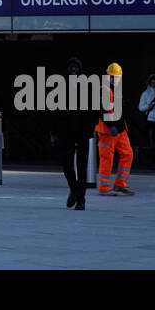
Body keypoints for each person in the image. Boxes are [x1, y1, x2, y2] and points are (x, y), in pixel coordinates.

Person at [54, 56, 101, 211]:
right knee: (66, 165)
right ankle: (74, 190)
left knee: (82, 167)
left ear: (80, 70)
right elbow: (51, 110)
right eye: (71, 68)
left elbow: (97, 107)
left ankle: (81, 200)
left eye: (76, 68)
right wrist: (53, 131)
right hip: (65, 132)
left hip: (82, 132)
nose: (73, 70)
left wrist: (92, 125)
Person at [96, 62, 135, 196]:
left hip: (120, 129)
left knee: (128, 154)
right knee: (107, 158)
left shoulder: (116, 89)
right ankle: (104, 188)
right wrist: (111, 126)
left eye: (117, 77)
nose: (114, 79)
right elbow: (102, 110)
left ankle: (120, 184)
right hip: (108, 131)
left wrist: (120, 127)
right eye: (112, 76)